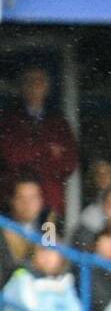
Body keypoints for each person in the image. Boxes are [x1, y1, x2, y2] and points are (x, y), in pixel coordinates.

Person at [0, 68, 78, 220]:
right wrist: (46, 149)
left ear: (47, 87)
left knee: (48, 242)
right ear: (21, 87)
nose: (34, 86)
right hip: (14, 203)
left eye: (40, 81)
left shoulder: (58, 123)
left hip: (50, 204)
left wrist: (29, 152)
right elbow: (11, 157)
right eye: (29, 81)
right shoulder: (9, 121)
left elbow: (69, 164)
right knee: (13, 243)